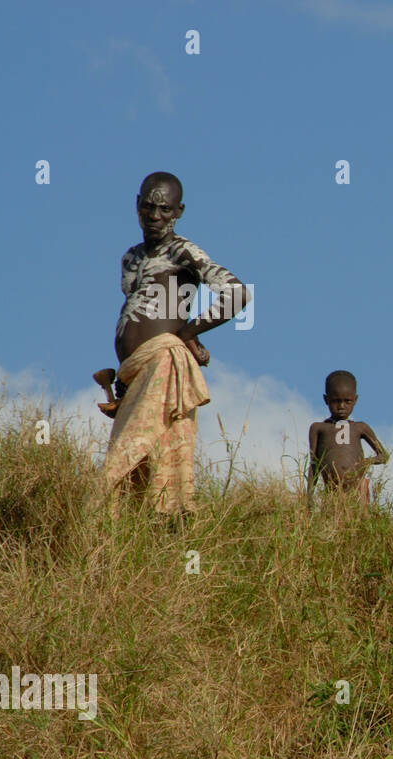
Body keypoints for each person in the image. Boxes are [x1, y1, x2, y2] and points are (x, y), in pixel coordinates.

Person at [101, 171, 250, 515]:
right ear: (136, 205)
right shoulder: (130, 258)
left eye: (165, 210)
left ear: (179, 211)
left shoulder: (182, 250)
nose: (155, 217)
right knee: (137, 462)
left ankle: (127, 526)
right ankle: (135, 540)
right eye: (149, 207)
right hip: (135, 372)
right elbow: (160, 305)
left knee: (127, 456)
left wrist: (184, 336)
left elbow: (238, 294)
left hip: (163, 363)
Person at [307, 371, 389, 505]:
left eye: (347, 401)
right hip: (332, 491)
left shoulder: (360, 427)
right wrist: (309, 497)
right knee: (333, 521)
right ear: (326, 400)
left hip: (358, 489)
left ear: (355, 400)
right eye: (336, 401)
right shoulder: (318, 428)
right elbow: (314, 464)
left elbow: (383, 456)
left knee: (359, 521)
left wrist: (365, 462)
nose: (341, 406)